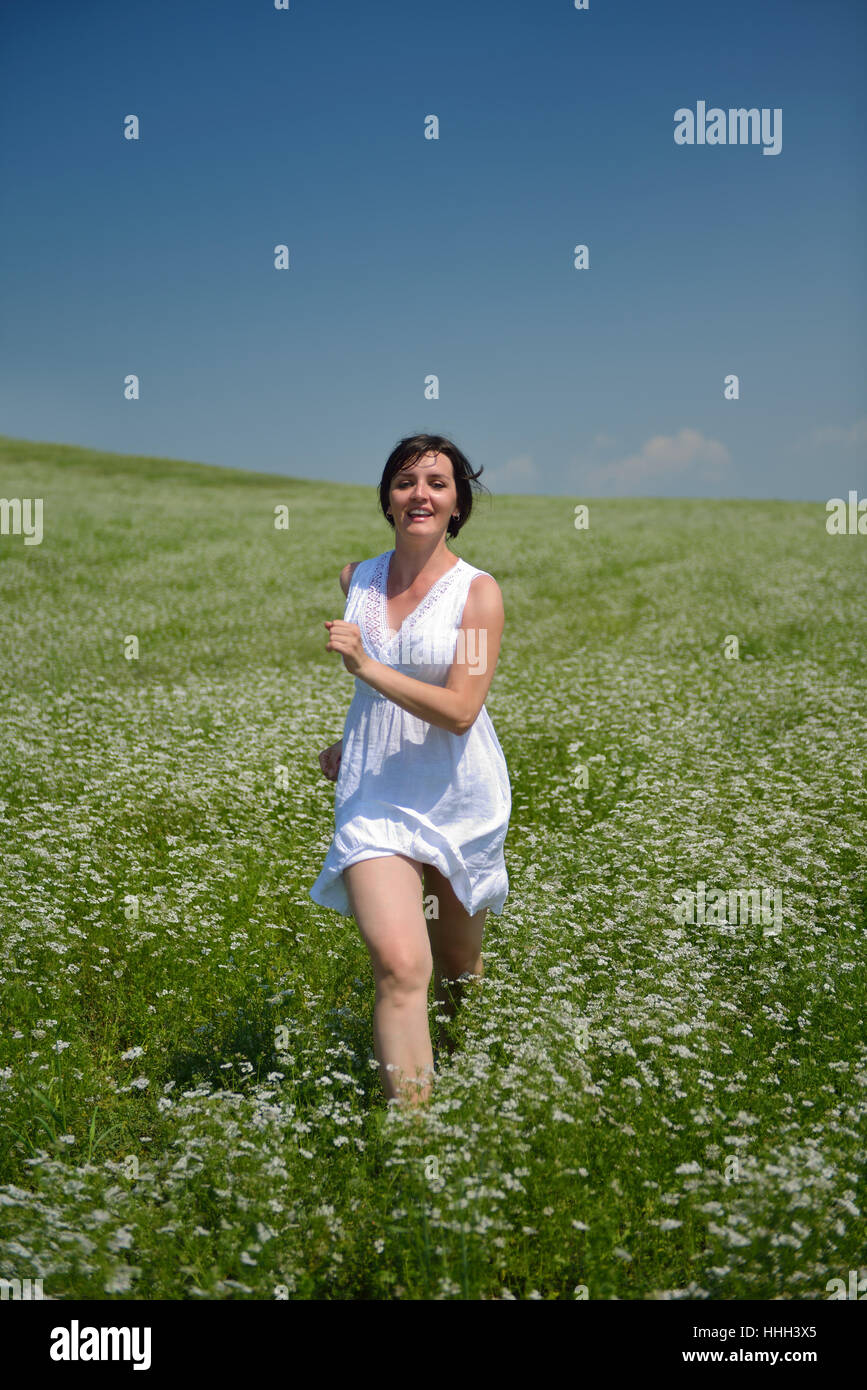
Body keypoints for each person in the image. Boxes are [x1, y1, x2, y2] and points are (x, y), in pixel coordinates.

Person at [309, 434, 511, 1108]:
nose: (419, 493)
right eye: (404, 481)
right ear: (387, 501)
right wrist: (353, 739)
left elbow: (459, 710)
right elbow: (373, 696)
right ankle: (415, 1149)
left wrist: (369, 668)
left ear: (457, 504)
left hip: (458, 796)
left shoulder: (477, 595)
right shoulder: (355, 579)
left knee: (456, 970)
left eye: (437, 482)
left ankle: (460, 1072)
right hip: (374, 798)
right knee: (401, 967)